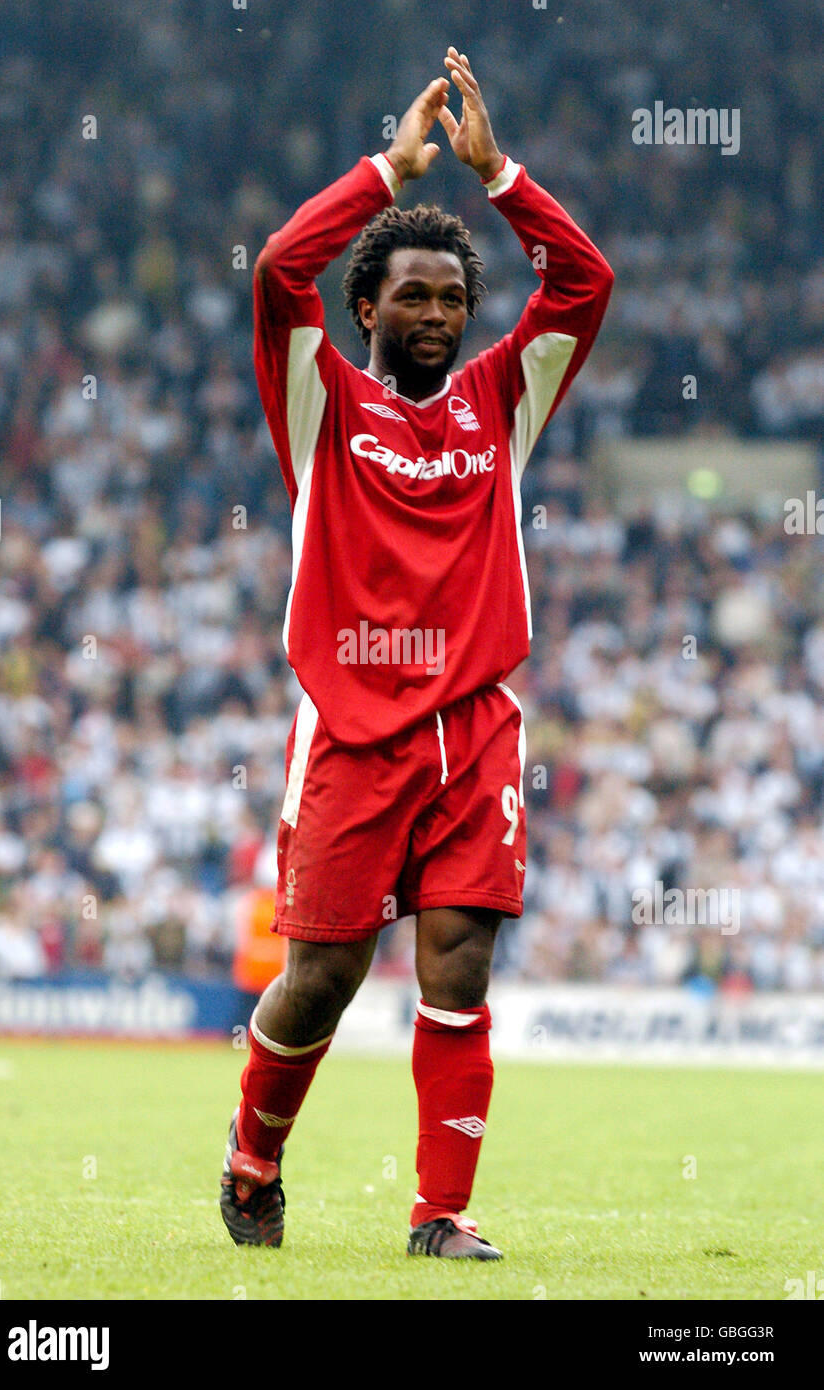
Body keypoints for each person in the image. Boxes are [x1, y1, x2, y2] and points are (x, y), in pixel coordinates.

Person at [220, 46, 613, 1259]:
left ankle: (439, 1212)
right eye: (412, 294)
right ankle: (251, 1156)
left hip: (476, 729)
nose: (437, 314)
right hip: (350, 730)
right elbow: (284, 264)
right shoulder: (317, 396)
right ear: (369, 306)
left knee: (459, 968)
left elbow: (583, 280)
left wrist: (500, 177)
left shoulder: (505, 399)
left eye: (452, 297)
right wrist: (390, 170)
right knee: (324, 975)